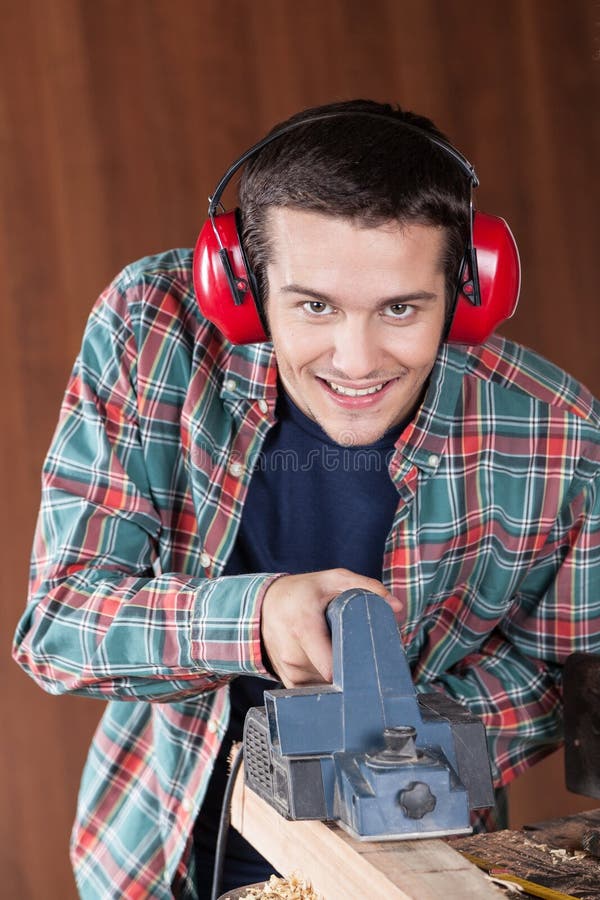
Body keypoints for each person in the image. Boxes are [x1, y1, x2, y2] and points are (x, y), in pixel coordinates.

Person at [13, 99, 600, 900]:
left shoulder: (555, 432)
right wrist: (258, 618)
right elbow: (61, 624)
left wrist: (390, 746)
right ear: (243, 289)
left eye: (401, 308)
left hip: (409, 862)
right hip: (154, 852)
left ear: (468, 294)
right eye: (314, 305)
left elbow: (558, 672)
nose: (356, 361)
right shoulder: (154, 328)